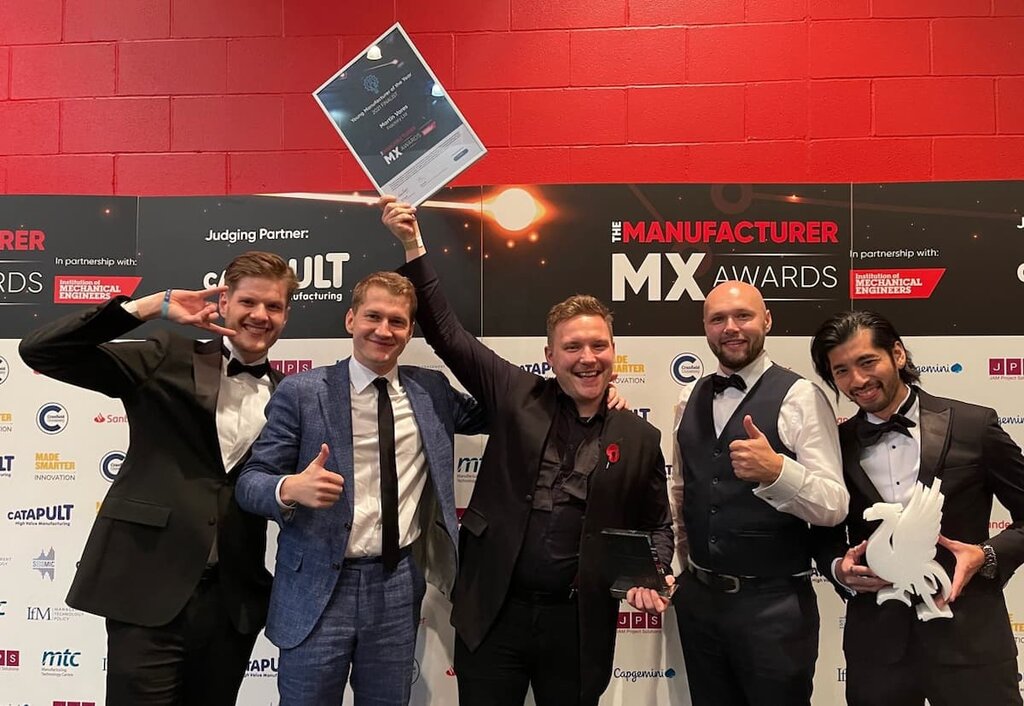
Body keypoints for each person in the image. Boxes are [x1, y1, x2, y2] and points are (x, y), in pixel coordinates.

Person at [380, 196, 673, 706]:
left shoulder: (640, 437)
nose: (587, 358)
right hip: (494, 614)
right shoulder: (516, 393)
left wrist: (654, 572)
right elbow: (447, 334)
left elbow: (658, 526)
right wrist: (412, 243)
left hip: (579, 625)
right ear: (550, 356)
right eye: (572, 347)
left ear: (614, 351)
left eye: (599, 346)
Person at [19, 251, 298, 705]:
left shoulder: (292, 397)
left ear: (286, 315)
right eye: (249, 302)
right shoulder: (166, 355)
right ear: (224, 302)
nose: (260, 315)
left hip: (231, 604)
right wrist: (147, 307)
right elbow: (42, 351)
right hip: (146, 587)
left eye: (274, 306)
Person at [235, 270, 487, 705]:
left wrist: (584, 392)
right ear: (351, 319)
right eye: (373, 316)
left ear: (410, 331)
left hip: (397, 582)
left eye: (397, 321)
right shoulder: (302, 392)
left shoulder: (431, 390)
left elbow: (505, 405)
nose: (383, 330)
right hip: (316, 587)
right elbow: (250, 482)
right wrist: (289, 488)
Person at [810, 310, 1024, 706]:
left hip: (970, 641)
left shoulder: (974, 426)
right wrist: (839, 568)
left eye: (867, 362)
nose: (857, 380)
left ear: (897, 354)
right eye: (841, 371)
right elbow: (822, 533)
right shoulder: (833, 445)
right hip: (876, 648)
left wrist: (986, 555)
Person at [671, 280, 849, 706]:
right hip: (699, 603)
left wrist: (778, 473)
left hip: (775, 609)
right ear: (705, 327)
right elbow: (681, 489)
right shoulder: (687, 396)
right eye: (718, 319)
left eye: (743, 316)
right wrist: (683, 568)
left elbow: (834, 504)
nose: (731, 328)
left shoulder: (802, 396)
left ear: (767, 320)